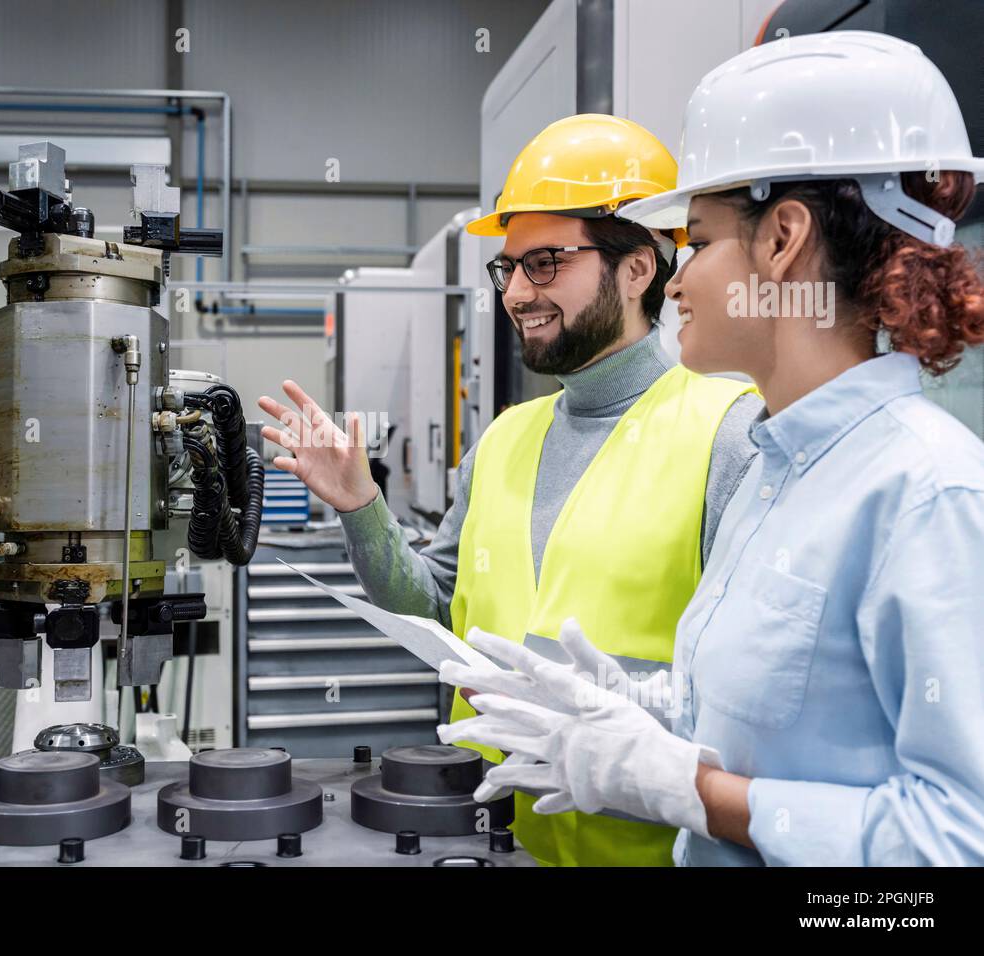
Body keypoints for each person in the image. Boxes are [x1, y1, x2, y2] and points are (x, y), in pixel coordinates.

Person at [441, 31, 984, 866]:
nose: (676, 278)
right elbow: (763, 722)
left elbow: (958, 841)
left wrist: (690, 793)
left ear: (782, 240)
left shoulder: (926, 492)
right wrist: (626, 708)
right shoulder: (780, 472)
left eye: (695, 239)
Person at [257, 114, 764, 865]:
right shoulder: (503, 439)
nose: (518, 292)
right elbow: (435, 609)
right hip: (495, 842)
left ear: (638, 270)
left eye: (547, 262)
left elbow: (758, 701)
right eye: (511, 268)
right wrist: (363, 508)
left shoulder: (730, 433)